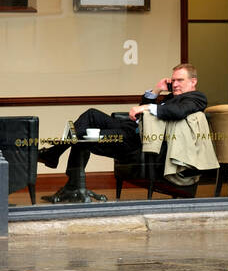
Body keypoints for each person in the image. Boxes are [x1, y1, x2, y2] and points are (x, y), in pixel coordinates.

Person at [41, 63, 207, 203]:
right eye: (174, 80)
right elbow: (149, 109)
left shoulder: (196, 98)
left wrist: (147, 107)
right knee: (91, 115)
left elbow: (177, 111)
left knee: (81, 135)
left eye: (180, 80)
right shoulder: (171, 96)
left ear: (193, 81)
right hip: (128, 128)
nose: (175, 84)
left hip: (136, 140)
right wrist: (157, 90)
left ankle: (58, 163)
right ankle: (61, 168)